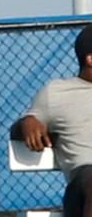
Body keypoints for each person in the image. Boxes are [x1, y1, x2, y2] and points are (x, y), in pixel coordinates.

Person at [13, 25, 92, 217]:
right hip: (85, 185)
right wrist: (27, 122)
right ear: (90, 59)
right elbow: (20, 129)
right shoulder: (56, 93)